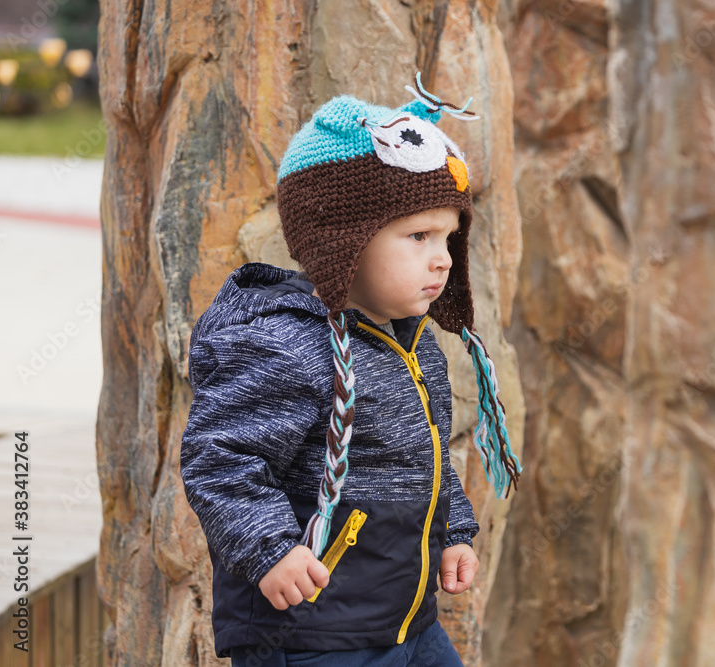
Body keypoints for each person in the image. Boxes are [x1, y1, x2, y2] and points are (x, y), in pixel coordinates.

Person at [180, 74, 522, 667]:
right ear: (343, 240)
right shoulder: (283, 343)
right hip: (313, 632)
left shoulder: (409, 342)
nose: (442, 257)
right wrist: (271, 551)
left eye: (447, 236)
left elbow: (427, 452)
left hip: (407, 624)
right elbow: (221, 461)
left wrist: (454, 532)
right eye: (417, 236)